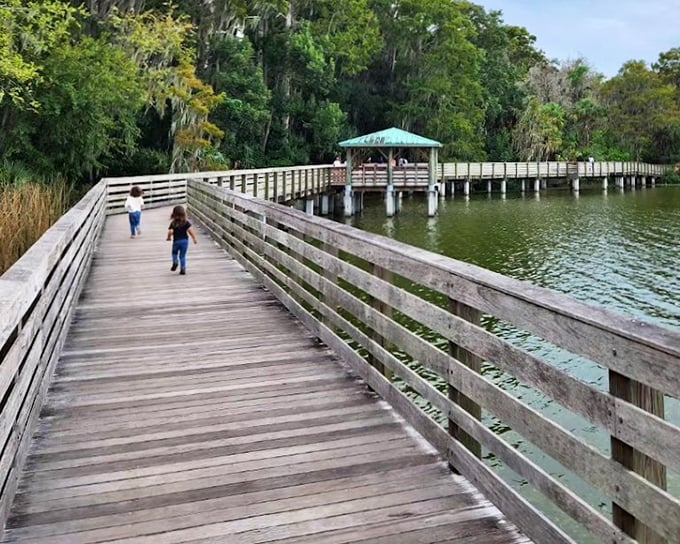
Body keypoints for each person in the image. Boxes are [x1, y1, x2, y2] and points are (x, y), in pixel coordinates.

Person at [166, 205, 198, 275]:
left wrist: (169, 237)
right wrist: (194, 239)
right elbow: (190, 231)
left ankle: (175, 261)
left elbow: (170, 231)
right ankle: (183, 268)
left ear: (173, 214)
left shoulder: (173, 223)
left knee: (174, 253)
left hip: (176, 242)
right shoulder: (186, 222)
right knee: (182, 256)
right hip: (185, 241)